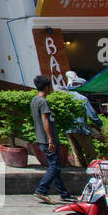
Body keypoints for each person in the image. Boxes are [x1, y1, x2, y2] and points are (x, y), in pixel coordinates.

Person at [31, 75, 74, 204]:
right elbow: (45, 120)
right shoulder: (43, 102)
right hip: (47, 140)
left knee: (55, 166)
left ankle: (64, 193)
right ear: (47, 87)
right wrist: (50, 139)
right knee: (55, 165)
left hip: (40, 138)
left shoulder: (34, 100)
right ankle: (41, 190)